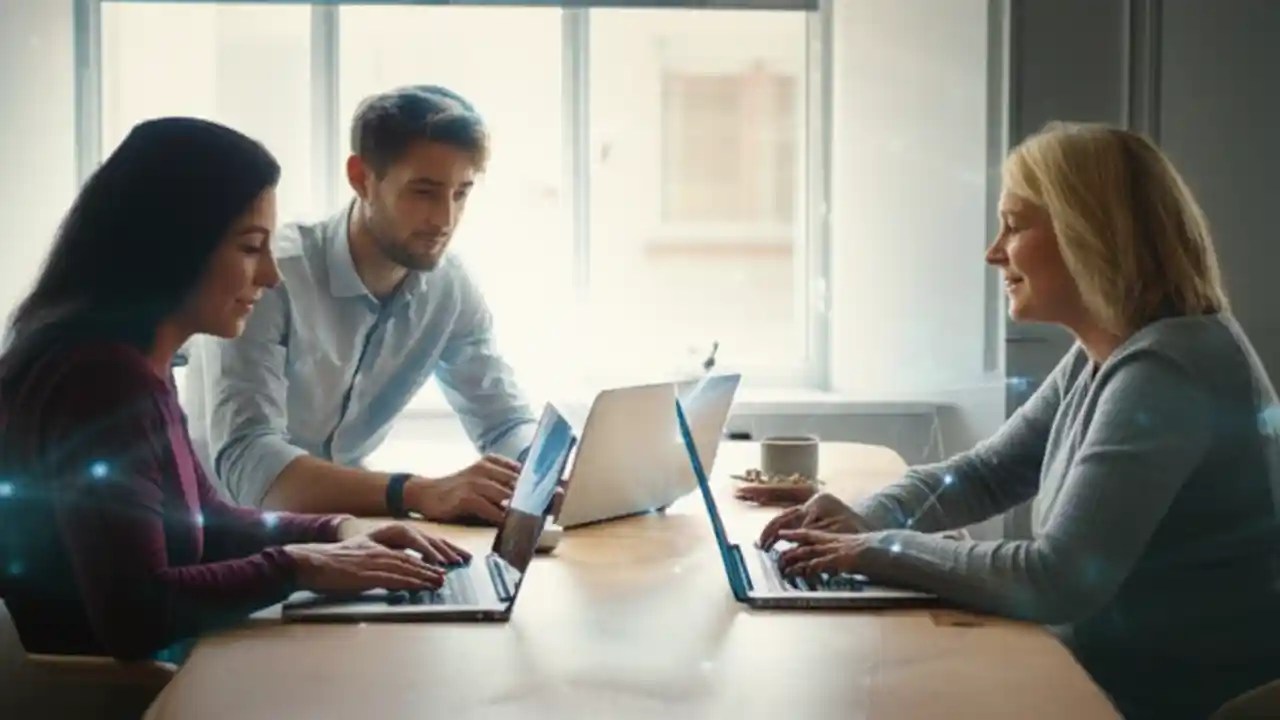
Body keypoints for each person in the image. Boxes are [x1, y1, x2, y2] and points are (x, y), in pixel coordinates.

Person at [758, 122, 1280, 719]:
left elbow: (1057, 578)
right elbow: (988, 472)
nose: (994, 252)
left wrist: (876, 549)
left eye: (1013, 224)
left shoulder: (1168, 369)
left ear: (1090, 232)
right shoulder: (1111, 350)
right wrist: (867, 519)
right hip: (1107, 681)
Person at [0, 117, 468, 663]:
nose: (271, 275)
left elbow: (210, 521)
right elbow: (135, 614)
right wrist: (300, 566)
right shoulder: (103, 384)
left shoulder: (138, 368)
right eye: (250, 248)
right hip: (115, 695)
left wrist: (339, 531)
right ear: (173, 246)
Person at [182, 85, 535, 526]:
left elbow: (504, 422)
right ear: (361, 178)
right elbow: (250, 464)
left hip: (345, 533)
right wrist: (417, 491)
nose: (445, 220)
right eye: (423, 192)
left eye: (460, 193)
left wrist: (547, 473)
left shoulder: (450, 288)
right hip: (225, 537)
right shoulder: (270, 278)